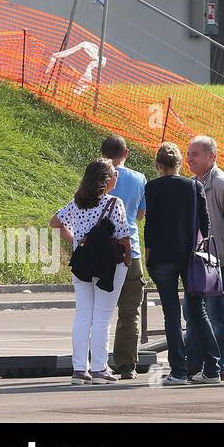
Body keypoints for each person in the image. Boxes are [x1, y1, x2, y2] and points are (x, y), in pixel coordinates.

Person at [143, 142, 222, 386]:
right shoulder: (194, 186)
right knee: (198, 312)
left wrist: (148, 254)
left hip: (162, 257)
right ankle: (213, 368)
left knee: (171, 314)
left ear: (158, 165)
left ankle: (178, 370)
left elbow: (150, 224)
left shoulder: (153, 187)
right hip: (190, 257)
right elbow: (205, 222)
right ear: (179, 164)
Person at [50, 158, 130, 385]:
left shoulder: (77, 203)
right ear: (105, 180)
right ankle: (99, 368)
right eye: (114, 173)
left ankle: (78, 369)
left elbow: (55, 222)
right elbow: (124, 236)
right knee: (102, 316)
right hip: (108, 265)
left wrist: (75, 240)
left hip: (82, 264)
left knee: (83, 315)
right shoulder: (114, 203)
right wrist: (127, 260)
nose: (117, 176)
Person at [184, 135, 224, 381]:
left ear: (212, 157)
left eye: (196, 154)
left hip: (217, 260)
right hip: (195, 260)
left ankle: (219, 365)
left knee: (216, 313)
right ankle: (196, 364)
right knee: (192, 314)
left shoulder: (221, 184)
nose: (190, 159)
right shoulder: (191, 184)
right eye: (189, 154)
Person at [101, 135, 147, 380]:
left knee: (98, 311)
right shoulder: (139, 178)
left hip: (100, 253)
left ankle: (95, 361)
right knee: (130, 311)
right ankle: (126, 364)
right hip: (131, 251)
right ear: (126, 152)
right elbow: (140, 214)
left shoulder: (95, 175)